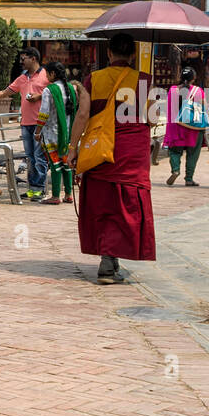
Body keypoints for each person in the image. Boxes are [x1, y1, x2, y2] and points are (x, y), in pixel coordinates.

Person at [63, 33, 155, 285]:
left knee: (103, 203)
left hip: (101, 150)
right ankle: (111, 258)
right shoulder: (145, 80)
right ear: (133, 55)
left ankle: (107, 257)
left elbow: (82, 115)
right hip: (132, 151)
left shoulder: (94, 79)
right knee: (127, 202)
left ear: (109, 54)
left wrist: (73, 148)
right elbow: (153, 118)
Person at [0, 47, 49, 200]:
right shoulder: (22, 78)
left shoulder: (46, 75)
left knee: (40, 157)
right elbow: (4, 92)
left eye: (23, 58)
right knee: (30, 158)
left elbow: (53, 92)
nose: (21, 62)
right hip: (25, 123)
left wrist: (39, 96)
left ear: (33, 58)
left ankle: (40, 189)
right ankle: (33, 189)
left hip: (41, 123)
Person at [34, 61, 78, 204]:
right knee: (67, 164)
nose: (46, 76)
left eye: (47, 73)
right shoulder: (71, 88)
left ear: (53, 74)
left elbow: (44, 113)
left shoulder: (49, 90)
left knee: (55, 165)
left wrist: (37, 131)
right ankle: (69, 194)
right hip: (67, 134)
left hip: (51, 133)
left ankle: (55, 196)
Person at [163, 66, 206, 187]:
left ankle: (175, 170)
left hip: (175, 127)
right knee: (193, 153)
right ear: (194, 78)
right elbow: (202, 109)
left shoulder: (172, 90)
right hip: (193, 127)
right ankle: (189, 178)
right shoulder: (198, 91)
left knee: (174, 151)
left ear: (180, 77)